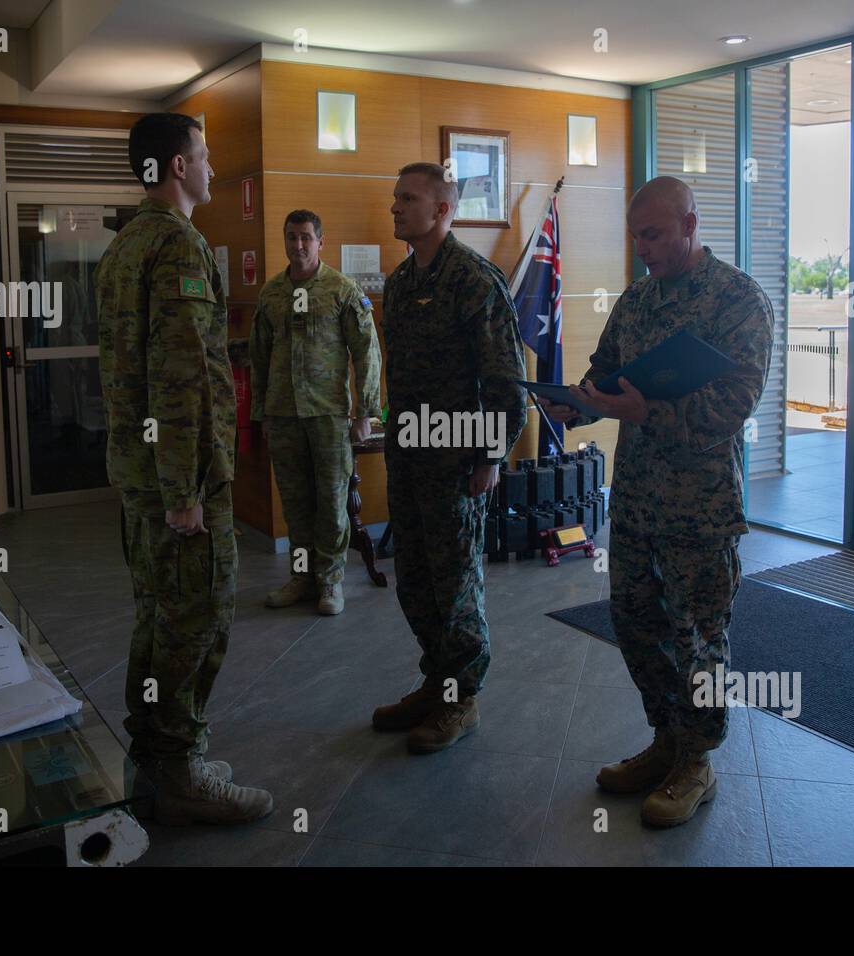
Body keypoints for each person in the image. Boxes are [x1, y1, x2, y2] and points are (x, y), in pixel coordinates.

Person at [540, 176, 774, 827]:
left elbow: (734, 406)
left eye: (654, 234)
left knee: (698, 639)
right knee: (637, 626)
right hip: (638, 502)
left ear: (691, 224)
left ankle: (696, 761)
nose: (642, 247)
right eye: (635, 234)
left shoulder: (739, 300)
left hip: (701, 509)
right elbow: (604, 375)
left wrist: (650, 410)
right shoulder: (638, 301)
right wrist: (576, 403)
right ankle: (665, 742)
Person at [96, 111, 271, 825]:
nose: (211, 166)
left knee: (157, 615)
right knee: (195, 620)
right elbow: (179, 382)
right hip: (177, 482)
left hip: (140, 473)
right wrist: (185, 493)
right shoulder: (175, 245)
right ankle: (180, 769)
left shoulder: (125, 245)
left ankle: (156, 754)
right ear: (176, 167)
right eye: (202, 155)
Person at [370, 161, 526, 754]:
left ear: (442, 210)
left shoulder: (475, 281)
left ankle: (461, 700)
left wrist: (489, 457)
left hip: (458, 462)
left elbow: (506, 382)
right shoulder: (403, 282)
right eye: (394, 197)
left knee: (456, 583)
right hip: (410, 455)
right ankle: (435, 681)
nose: (395, 208)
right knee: (415, 578)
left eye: (407, 198)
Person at [249, 209, 382, 616]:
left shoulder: (342, 290)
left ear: (320, 242)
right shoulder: (271, 294)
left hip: (328, 415)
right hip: (284, 414)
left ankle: (330, 581)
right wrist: (262, 411)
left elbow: (367, 352)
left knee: (331, 500)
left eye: (306, 237)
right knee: (295, 502)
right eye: (292, 237)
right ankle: (302, 577)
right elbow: (259, 356)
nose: (299, 245)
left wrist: (365, 412)